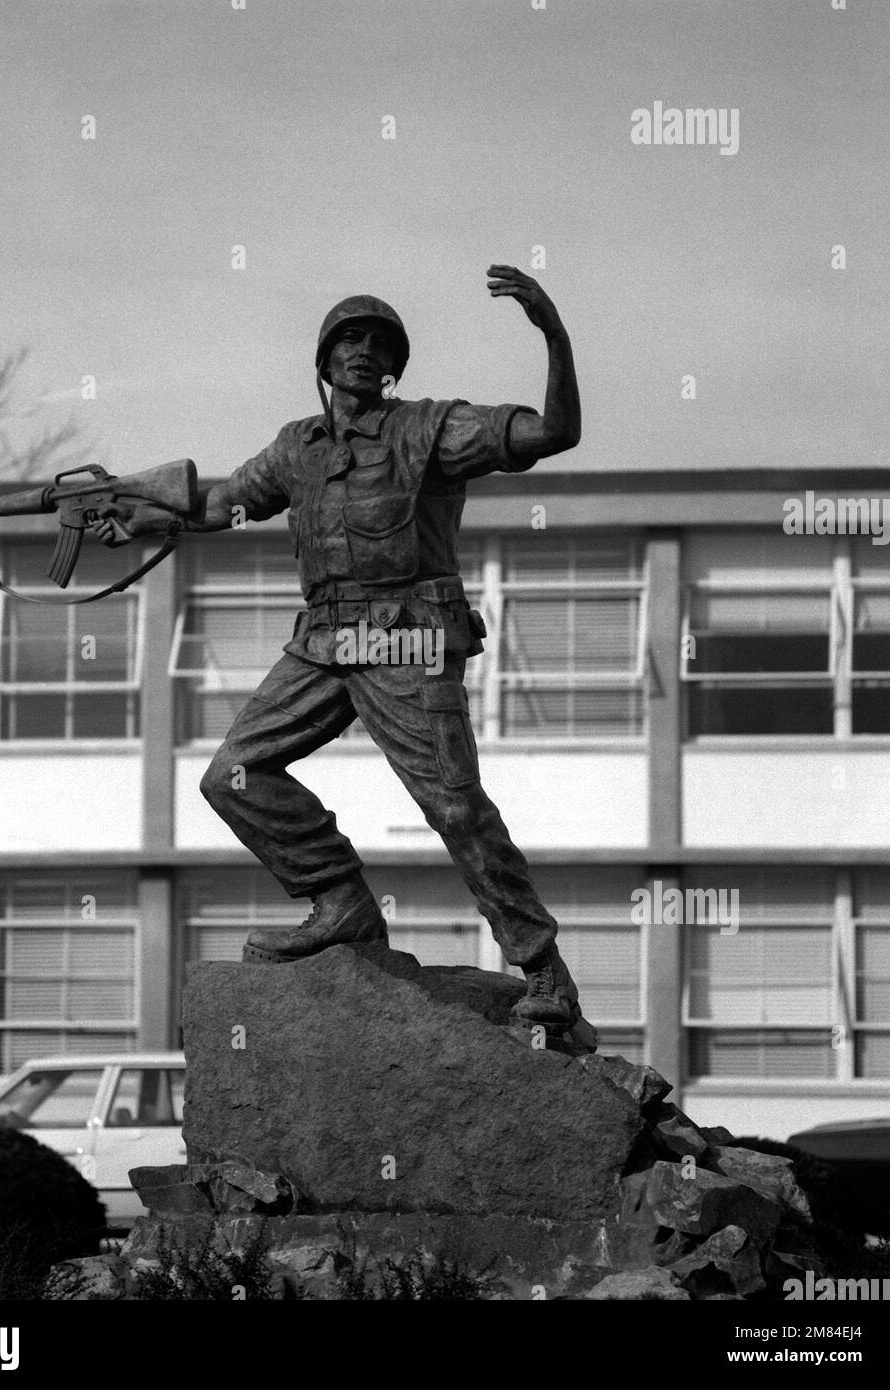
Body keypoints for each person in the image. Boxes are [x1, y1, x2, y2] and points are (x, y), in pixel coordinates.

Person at [92, 266, 596, 1050]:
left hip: (407, 635)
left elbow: (552, 433)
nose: (364, 352)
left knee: (455, 807)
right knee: (234, 772)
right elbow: (220, 504)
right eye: (349, 340)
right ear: (324, 361)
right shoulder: (298, 447)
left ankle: (543, 970)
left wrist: (552, 332)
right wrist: (140, 516)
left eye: (380, 344)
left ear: (394, 366)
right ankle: (340, 902)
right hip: (325, 641)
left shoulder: (431, 428)